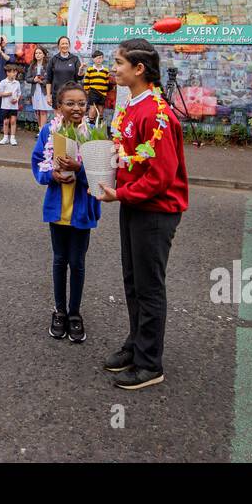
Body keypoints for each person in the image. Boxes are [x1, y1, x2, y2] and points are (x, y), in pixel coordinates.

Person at [94, 39, 189, 391]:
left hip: (155, 211)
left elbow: (161, 176)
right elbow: (128, 157)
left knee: (149, 288)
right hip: (134, 205)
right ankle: (136, 345)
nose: (112, 68)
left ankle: (150, 363)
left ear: (138, 69)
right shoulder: (131, 106)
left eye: (118, 62)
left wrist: (120, 193)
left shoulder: (156, 112)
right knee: (133, 283)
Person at [31, 82, 102, 344]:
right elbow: (38, 161)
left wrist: (79, 169)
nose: (76, 108)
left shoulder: (94, 134)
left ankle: (75, 313)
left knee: (78, 262)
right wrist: (52, 174)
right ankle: (59, 311)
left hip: (82, 210)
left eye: (81, 103)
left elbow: (100, 177)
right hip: (57, 209)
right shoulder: (48, 132)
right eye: (70, 103)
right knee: (60, 260)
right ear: (58, 106)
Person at [45, 36, 82, 108]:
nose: (65, 45)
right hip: (57, 94)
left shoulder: (75, 59)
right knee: (58, 118)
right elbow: (48, 80)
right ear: (58, 46)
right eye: (62, 44)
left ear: (69, 45)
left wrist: (82, 71)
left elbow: (79, 77)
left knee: (70, 117)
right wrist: (48, 96)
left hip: (72, 94)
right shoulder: (53, 59)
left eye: (66, 43)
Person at [82, 50, 112, 123]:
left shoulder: (106, 70)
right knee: (92, 109)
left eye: (101, 58)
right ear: (93, 59)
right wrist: (86, 91)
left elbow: (107, 82)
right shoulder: (90, 70)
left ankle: (99, 125)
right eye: (98, 58)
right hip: (93, 91)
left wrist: (105, 91)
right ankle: (91, 124)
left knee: (101, 110)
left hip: (103, 93)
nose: (99, 60)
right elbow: (86, 81)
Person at [27, 47, 52, 131]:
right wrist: (34, 80)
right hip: (35, 91)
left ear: (44, 54)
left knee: (43, 110)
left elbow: (50, 78)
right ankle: (40, 128)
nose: (37, 55)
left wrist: (42, 81)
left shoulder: (48, 65)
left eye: (40, 53)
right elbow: (27, 78)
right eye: (36, 53)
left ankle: (42, 131)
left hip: (44, 91)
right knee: (37, 111)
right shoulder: (32, 65)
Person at [0, 65, 22, 145]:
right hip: (5, 106)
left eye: (15, 72)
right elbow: (0, 94)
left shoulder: (17, 83)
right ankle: (5, 137)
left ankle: (12, 138)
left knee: (13, 121)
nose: (14, 74)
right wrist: (8, 94)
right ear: (7, 73)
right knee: (6, 122)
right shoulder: (3, 82)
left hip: (14, 106)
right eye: (11, 72)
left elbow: (19, 93)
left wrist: (17, 100)